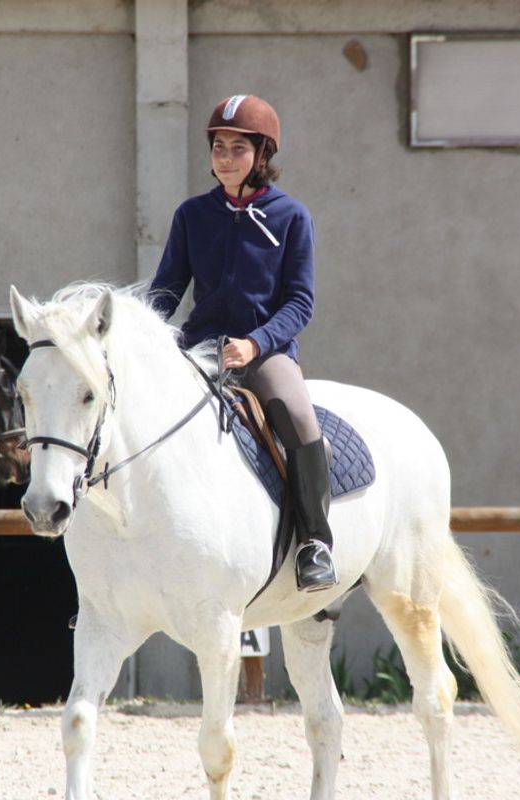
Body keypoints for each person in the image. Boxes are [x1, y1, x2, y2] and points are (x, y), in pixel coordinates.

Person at [148, 94, 337, 592]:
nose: (225, 157)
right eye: (218, 147)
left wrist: (256, 345)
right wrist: (143, 337)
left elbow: (300, 303)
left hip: (264, 354)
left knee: (297, 416)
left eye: (238, 147)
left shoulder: (291, 216)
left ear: (263, 155)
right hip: (199, 351)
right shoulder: (192, 215)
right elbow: (167, 289)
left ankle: (316, 542)